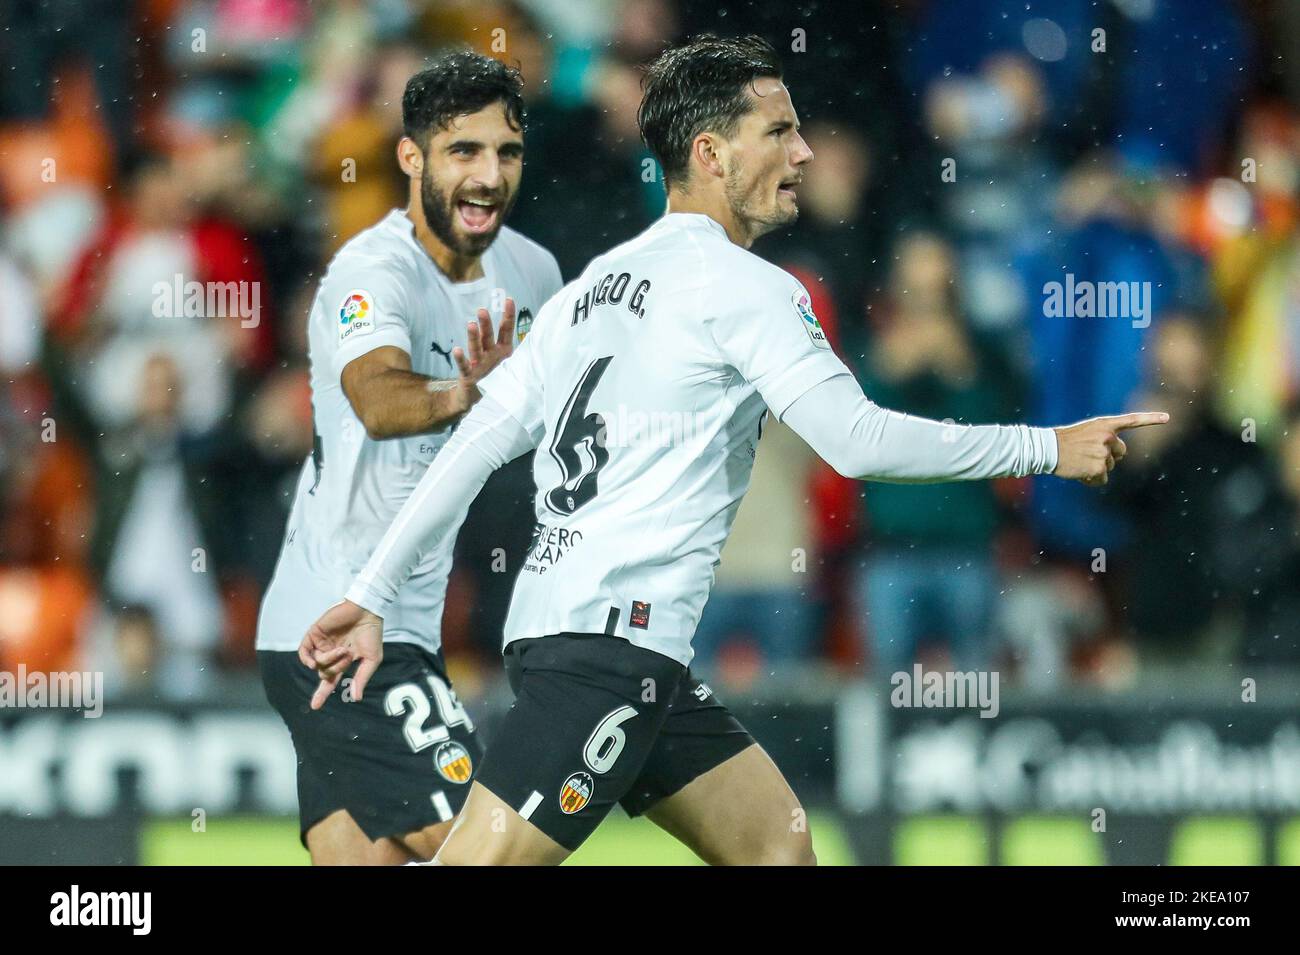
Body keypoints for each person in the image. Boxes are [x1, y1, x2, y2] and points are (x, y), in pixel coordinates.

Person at [300, 34, 1166, 866]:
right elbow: (855, 441)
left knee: (777, 848)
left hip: (598, 644)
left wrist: (373, 593)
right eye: (780, 132)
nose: (805, 155)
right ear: (712, 153)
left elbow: (478, 441)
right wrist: (1043, 446)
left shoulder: (592, 287)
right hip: (609, 656)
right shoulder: (750, 288)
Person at [255, 51, 562, 865]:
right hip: (335, 630)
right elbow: (380, 401)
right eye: (464, 151)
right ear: (412, 157)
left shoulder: (534, 275)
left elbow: (547, 425)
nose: (489, 175)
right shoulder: (371, 270)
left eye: (507, 151)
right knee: (492, 848)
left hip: (403, 630)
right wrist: (474, 390)